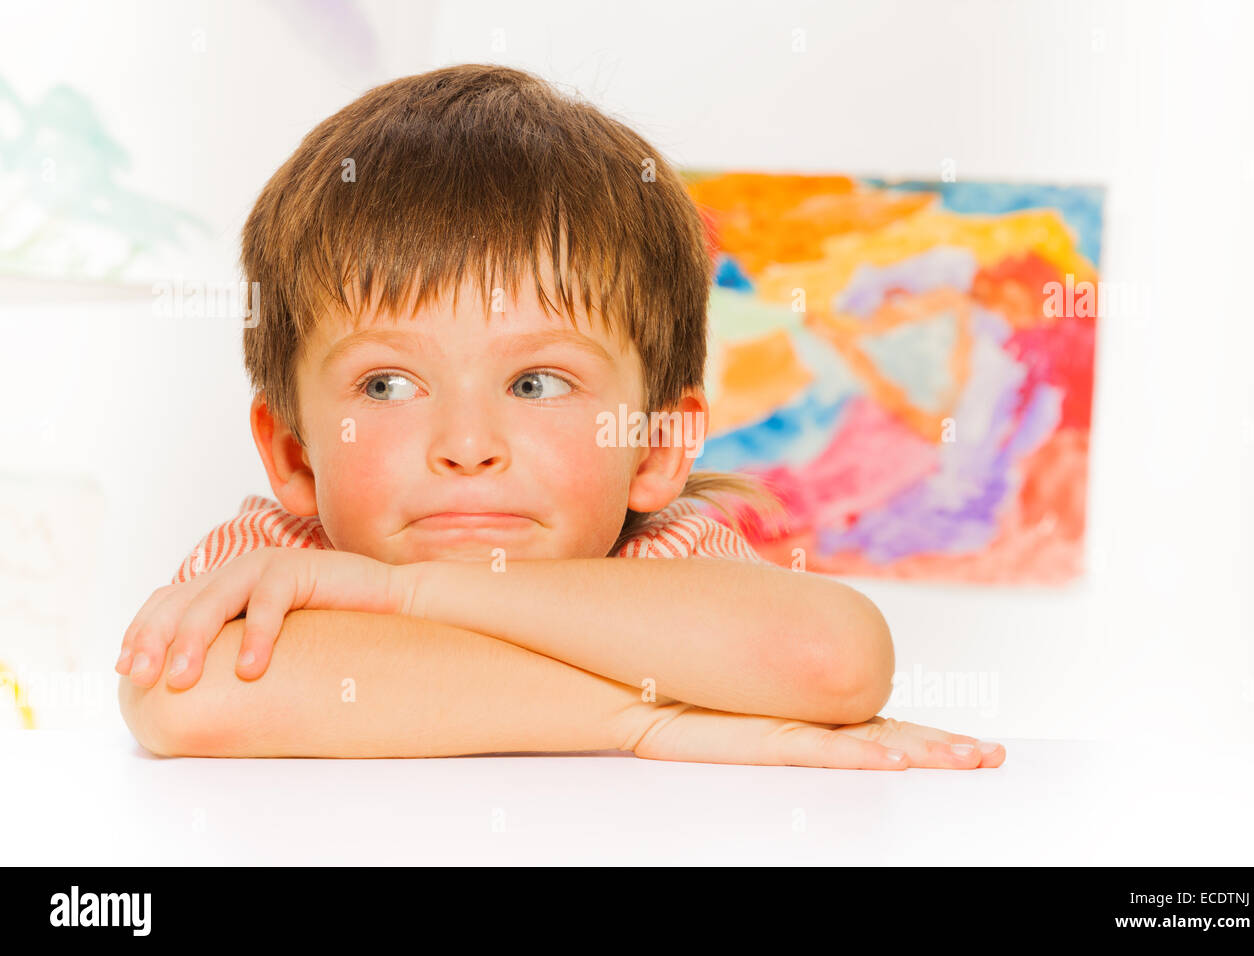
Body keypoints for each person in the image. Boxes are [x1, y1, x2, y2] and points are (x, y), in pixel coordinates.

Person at [117, 64, 1004, 770]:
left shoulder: (667, 557)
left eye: (538, 383)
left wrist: (401, 595)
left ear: (655, 446)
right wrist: (650, 717)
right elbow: (182, 698)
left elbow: (834, 662)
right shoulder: (280, 563)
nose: (466, 447)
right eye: (388, 386)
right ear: (294, 455)